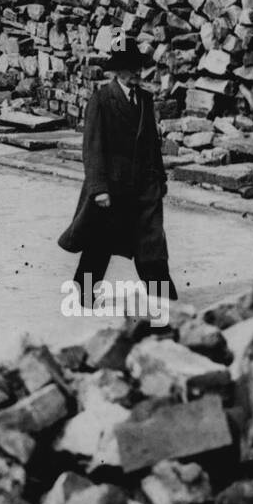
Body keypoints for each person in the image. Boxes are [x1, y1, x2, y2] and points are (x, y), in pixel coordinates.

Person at [58, 36, 178, 304]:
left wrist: (160, 180)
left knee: (152, 241)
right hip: (112, 186)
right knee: (99, 243)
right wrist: (98, 188)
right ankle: (85, 292)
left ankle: (162, 295)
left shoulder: (145, 99)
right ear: (119, 71)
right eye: (131, 67)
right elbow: (93, 148)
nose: (137, 72)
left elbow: (151, 144)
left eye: (138, 67)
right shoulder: (101, 100)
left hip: (144, 185)